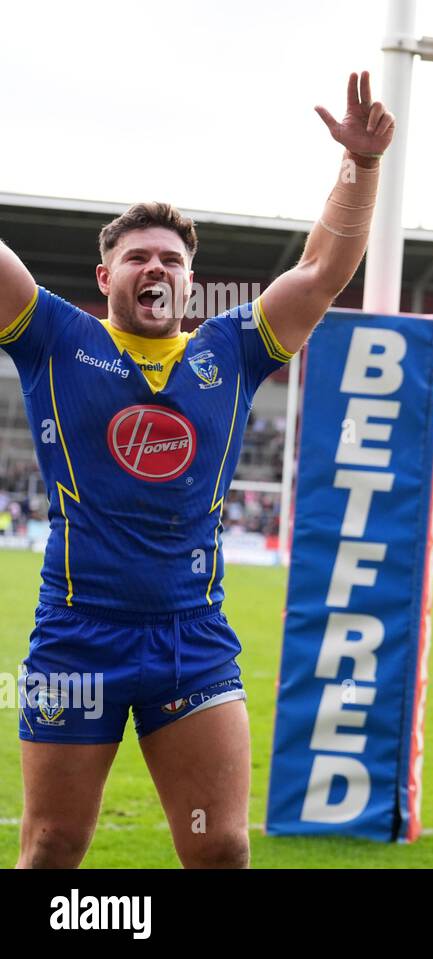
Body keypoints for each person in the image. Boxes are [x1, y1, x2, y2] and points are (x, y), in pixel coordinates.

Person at [2, 72, 394, 868]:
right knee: (50, 846)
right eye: (136, 256)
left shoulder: (230, 349)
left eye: (173, 259)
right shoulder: (53, 336)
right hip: (78, 636)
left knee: (221, 851)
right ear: (105, 276)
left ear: (190, 279)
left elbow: (321, 271)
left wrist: (360, 168)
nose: (156, 267)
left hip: (193, 639)